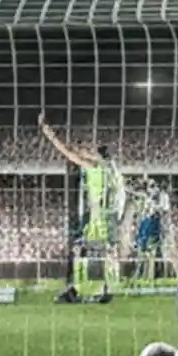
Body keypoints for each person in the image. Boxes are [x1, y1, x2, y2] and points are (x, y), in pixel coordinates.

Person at [39, 112, 123, 302]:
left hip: (97, 215)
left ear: (96, 155)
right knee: (103, 252)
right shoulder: (110, 169)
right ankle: (104, 289)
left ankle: (77, 290)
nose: (84, 151)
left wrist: (49, 134)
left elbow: (68, 153)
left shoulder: (94, 167)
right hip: (107, 215)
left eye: (88, 150)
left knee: (82, 250)